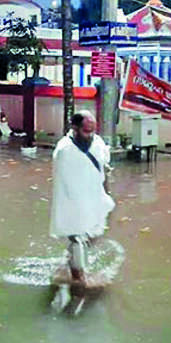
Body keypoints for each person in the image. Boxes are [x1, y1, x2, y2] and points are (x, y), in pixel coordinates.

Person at [50, 110, 114, 288]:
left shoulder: (98, 143)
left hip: (94, 197)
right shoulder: (64, 150)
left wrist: (106, 194)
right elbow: (64, 183)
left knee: (95, 232)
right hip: (72, 201)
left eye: (92, 131)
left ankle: (70, 260)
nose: (90, 135)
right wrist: (77, 209)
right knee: (77, 237)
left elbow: (104, 169)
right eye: (86, 131)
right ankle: (79, 279)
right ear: (75, 128)